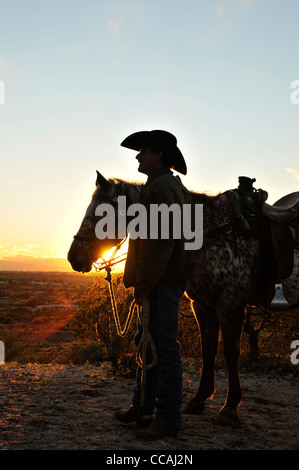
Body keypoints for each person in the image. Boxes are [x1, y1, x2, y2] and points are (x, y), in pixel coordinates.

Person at [114, 129, 194, 440]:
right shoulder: (166, 187)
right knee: (147, 344)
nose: (138, 155)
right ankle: (143, 409)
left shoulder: (161, 190)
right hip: (163, 280)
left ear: (158, 155)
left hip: (161, 282)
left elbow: (159, 245)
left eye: (144, 151)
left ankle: (168, 418)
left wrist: (144, 284)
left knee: (162, 348)